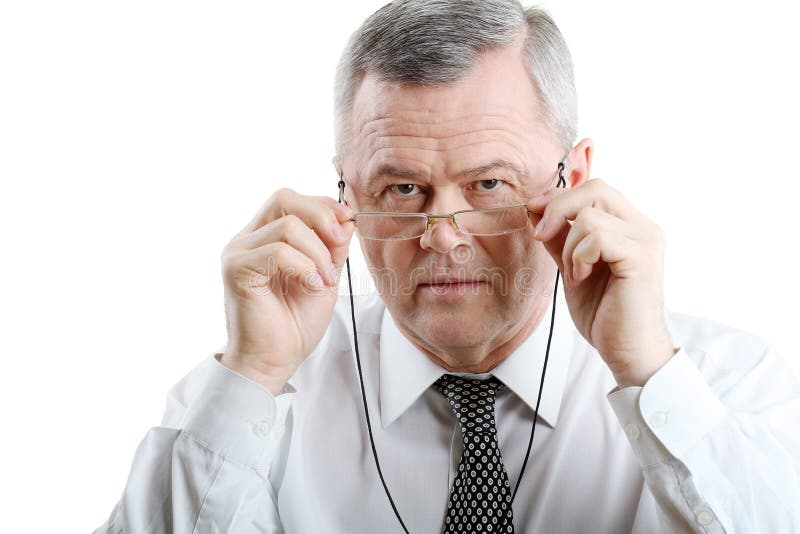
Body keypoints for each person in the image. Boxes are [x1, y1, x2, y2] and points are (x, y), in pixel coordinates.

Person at [95, 1, 800, 532]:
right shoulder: (242, 405)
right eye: (402, 189)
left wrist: (647, 369)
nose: (443, 238)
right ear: (346, 195)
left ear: (574, 180)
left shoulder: (729, 387)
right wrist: (253, 373)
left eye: (489, 185)